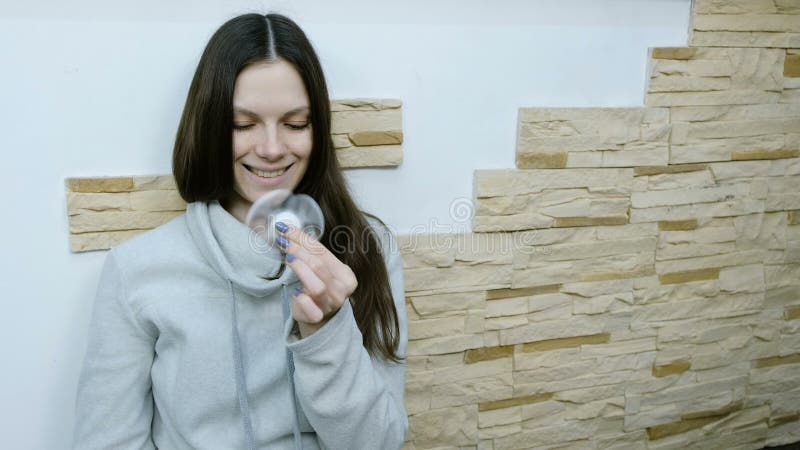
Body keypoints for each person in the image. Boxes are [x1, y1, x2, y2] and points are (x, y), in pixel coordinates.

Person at [72, 13, 408, 450]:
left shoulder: (365, 249)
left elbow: (379, 443)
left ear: (318, 130)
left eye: (295, 123)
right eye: (242, 125)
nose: (271, 149)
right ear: (210, 127)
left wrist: (326, 331)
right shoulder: (138, 270)